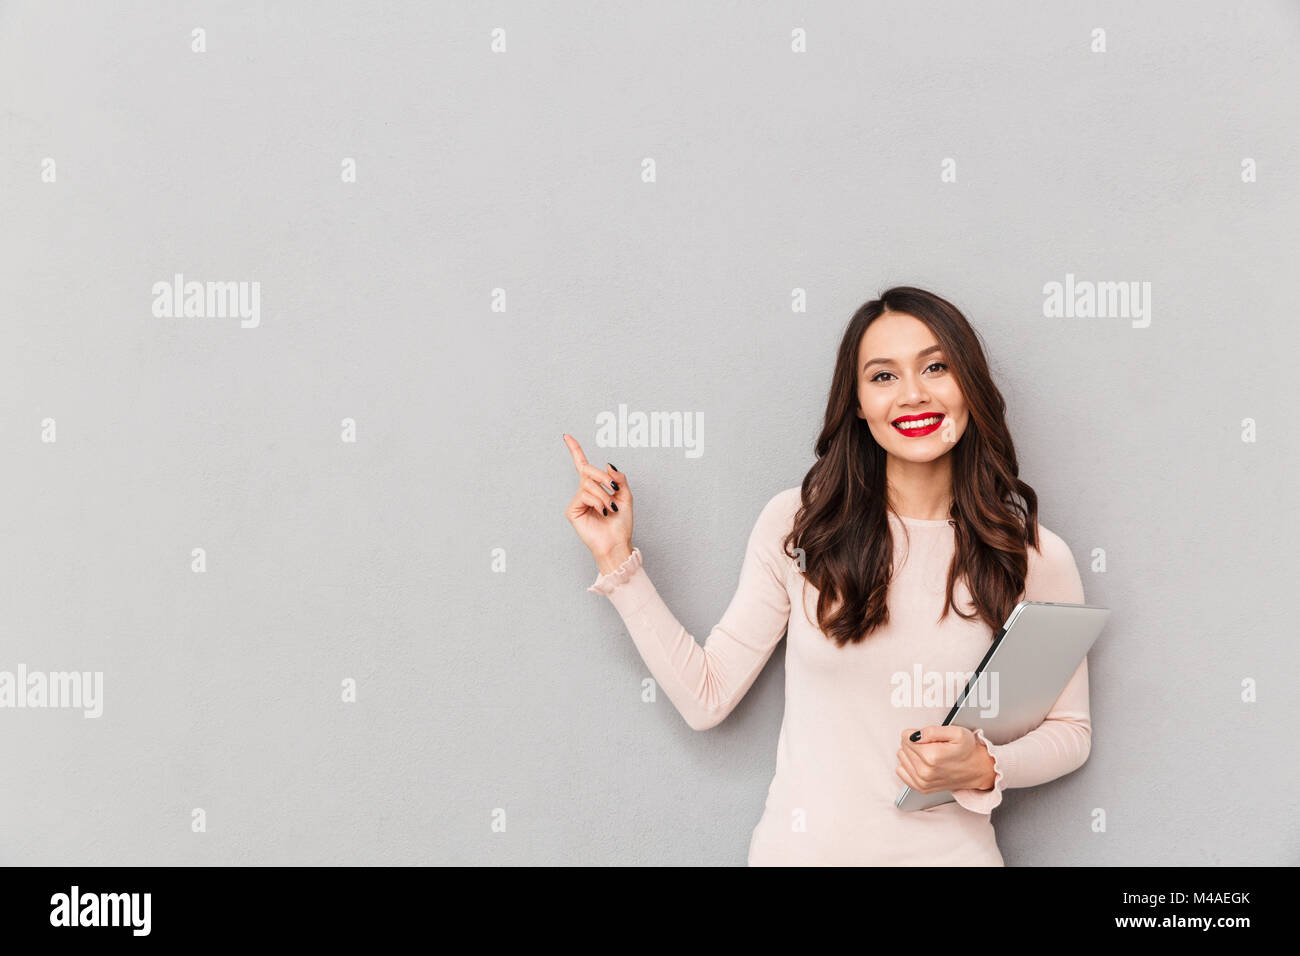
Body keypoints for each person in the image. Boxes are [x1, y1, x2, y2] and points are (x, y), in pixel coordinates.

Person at [562, 286, 1092, 866]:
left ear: (970, 384)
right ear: (858, 404)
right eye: (883, 377)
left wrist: (989, 764)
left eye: (936, 367)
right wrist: (618, 560)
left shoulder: (1032, 556)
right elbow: (706, 697)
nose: (913, 394)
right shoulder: (800, 527)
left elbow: (1071, 731)